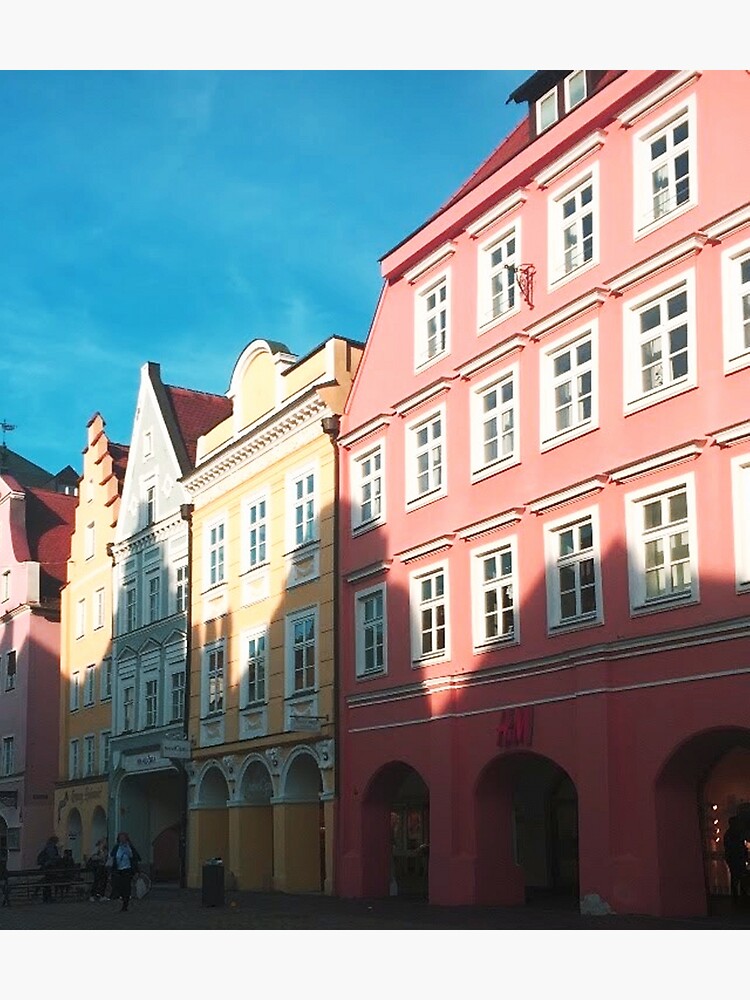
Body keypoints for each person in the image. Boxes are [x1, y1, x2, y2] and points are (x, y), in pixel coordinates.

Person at [109, 832, 141, 912]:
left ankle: (125, 904)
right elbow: (112, 857)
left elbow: (134, 858)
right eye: (120, 837)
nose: (122, 839)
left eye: (123, 837)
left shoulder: (129, 847)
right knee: (118, 885)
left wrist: (136, 871)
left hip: (127, 869)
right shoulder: (117, 847)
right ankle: (120, 898)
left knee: (126, 886)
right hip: (118, 869)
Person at [723, 814, 748, 907]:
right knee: (738, 878)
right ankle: (739, 898)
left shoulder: (731, 834)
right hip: (736, 859)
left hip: (735, 859)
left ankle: (739, 898)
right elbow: (737, 847)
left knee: (738, 878)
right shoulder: (733, 835)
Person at [37, 835, 61, 903]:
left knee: (47, 882)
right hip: (49, 866)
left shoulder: (47, 846)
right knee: (48, 882)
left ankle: (47, 897)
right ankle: (48, 897)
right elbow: (52, 857)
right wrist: (58, 857)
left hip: (47, 866)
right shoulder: (51, 847)